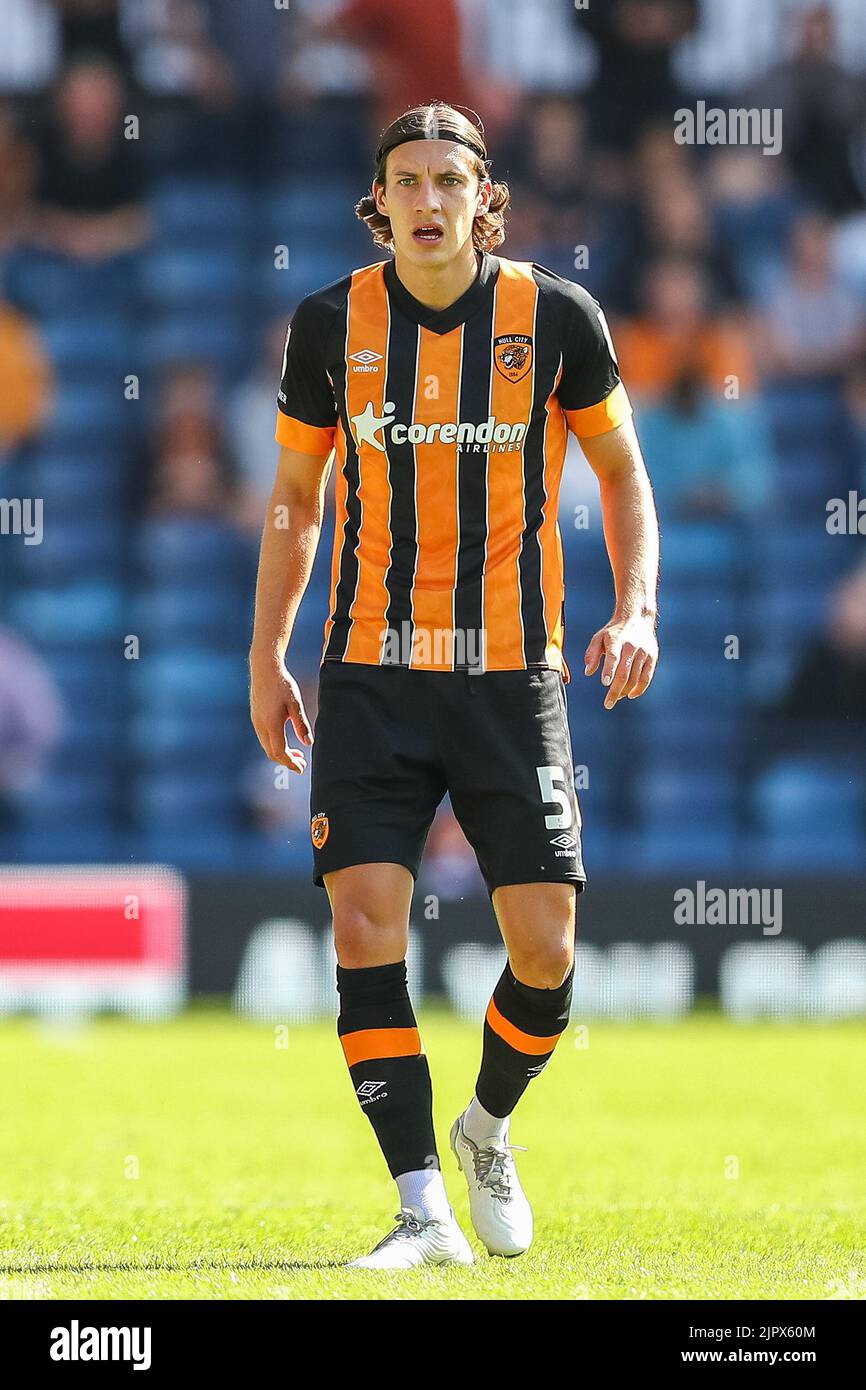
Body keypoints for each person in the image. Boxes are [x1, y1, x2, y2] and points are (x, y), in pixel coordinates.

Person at [248, 102, 660, 1269]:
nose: (428, 202)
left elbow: (622, 474)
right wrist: (263, 651)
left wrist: (636, 607)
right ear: (376, 203)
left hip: (507, 675)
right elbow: (297, 501)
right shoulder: (329, 327)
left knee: (544, 951)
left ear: (486, 198)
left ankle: (484, 1129)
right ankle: (420, 1203)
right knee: (365, 923)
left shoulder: (555, 318)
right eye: (406, 182)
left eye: (450, 181)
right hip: (369, 674)